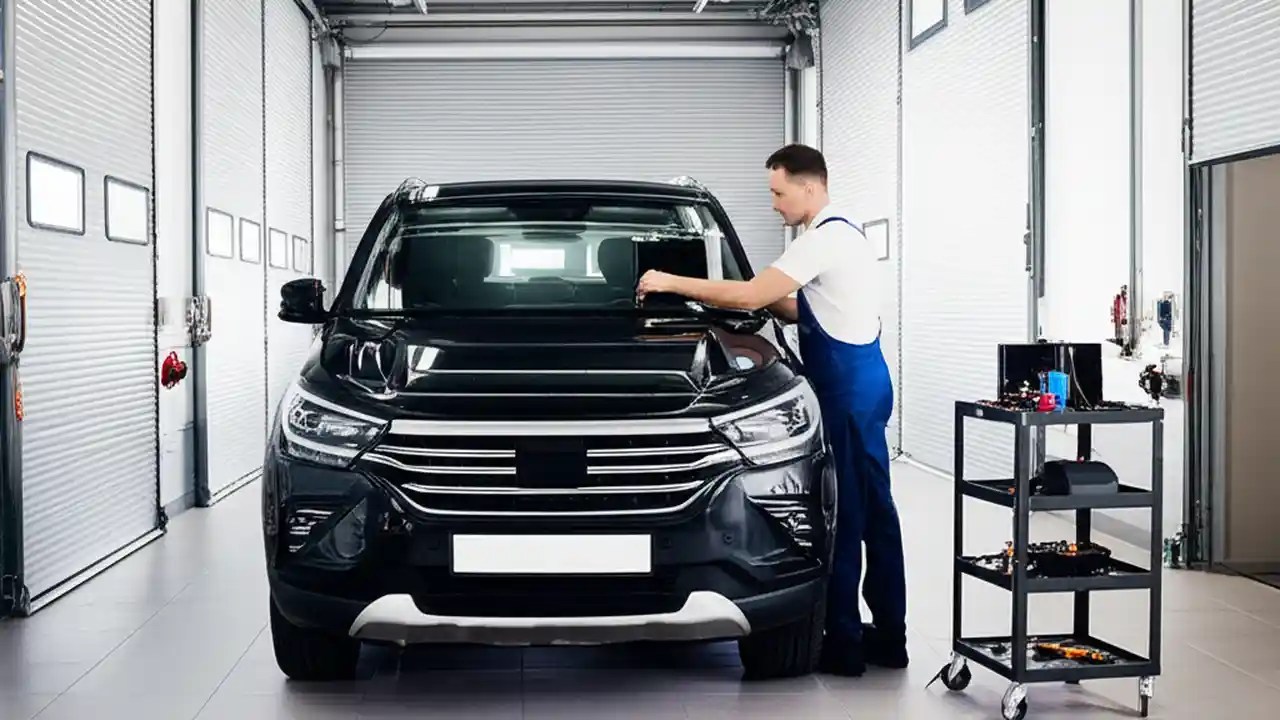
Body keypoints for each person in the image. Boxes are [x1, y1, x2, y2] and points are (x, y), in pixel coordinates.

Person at [636, 144, 907, 677]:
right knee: (877, 510)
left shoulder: (822, 240)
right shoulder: (847, 236)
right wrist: (732, 299)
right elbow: (792, 303)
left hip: (846, 392)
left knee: (844, 514)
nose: (774, 204)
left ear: (810, 187)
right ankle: (891, 636)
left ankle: (845, 646)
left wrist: (669, 282)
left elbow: (755, 293)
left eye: (778, 192)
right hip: (868, 381)